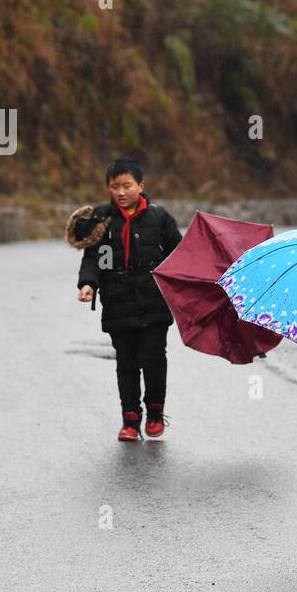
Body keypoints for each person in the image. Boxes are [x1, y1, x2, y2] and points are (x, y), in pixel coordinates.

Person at [71, 158, 182, 442]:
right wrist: (88, 284)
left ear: (141, 186)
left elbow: (181, 254)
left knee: (154, 358)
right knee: (127, 362)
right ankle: (130, 419)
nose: (120, 192)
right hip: (117, 302)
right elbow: (93, 259)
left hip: (155, 301)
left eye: (126, 186)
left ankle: (155, 412)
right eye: (114, 186)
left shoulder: (159, 218)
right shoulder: (101, 221)